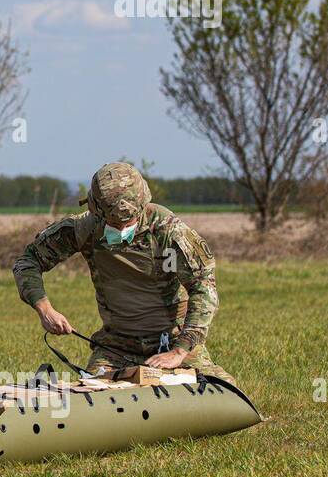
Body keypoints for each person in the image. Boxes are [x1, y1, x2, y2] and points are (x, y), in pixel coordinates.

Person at [12, 161, 236, 385]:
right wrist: (44, 308)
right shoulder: (85, 229)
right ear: (97, 211)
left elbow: (204, 287)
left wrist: (180, 351)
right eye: (113, 222)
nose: (120, 229)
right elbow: (28, 261)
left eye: (128, 222)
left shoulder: (168, 231)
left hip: (173, 343)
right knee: (94, 397)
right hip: (116, 347)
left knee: (223, 391)